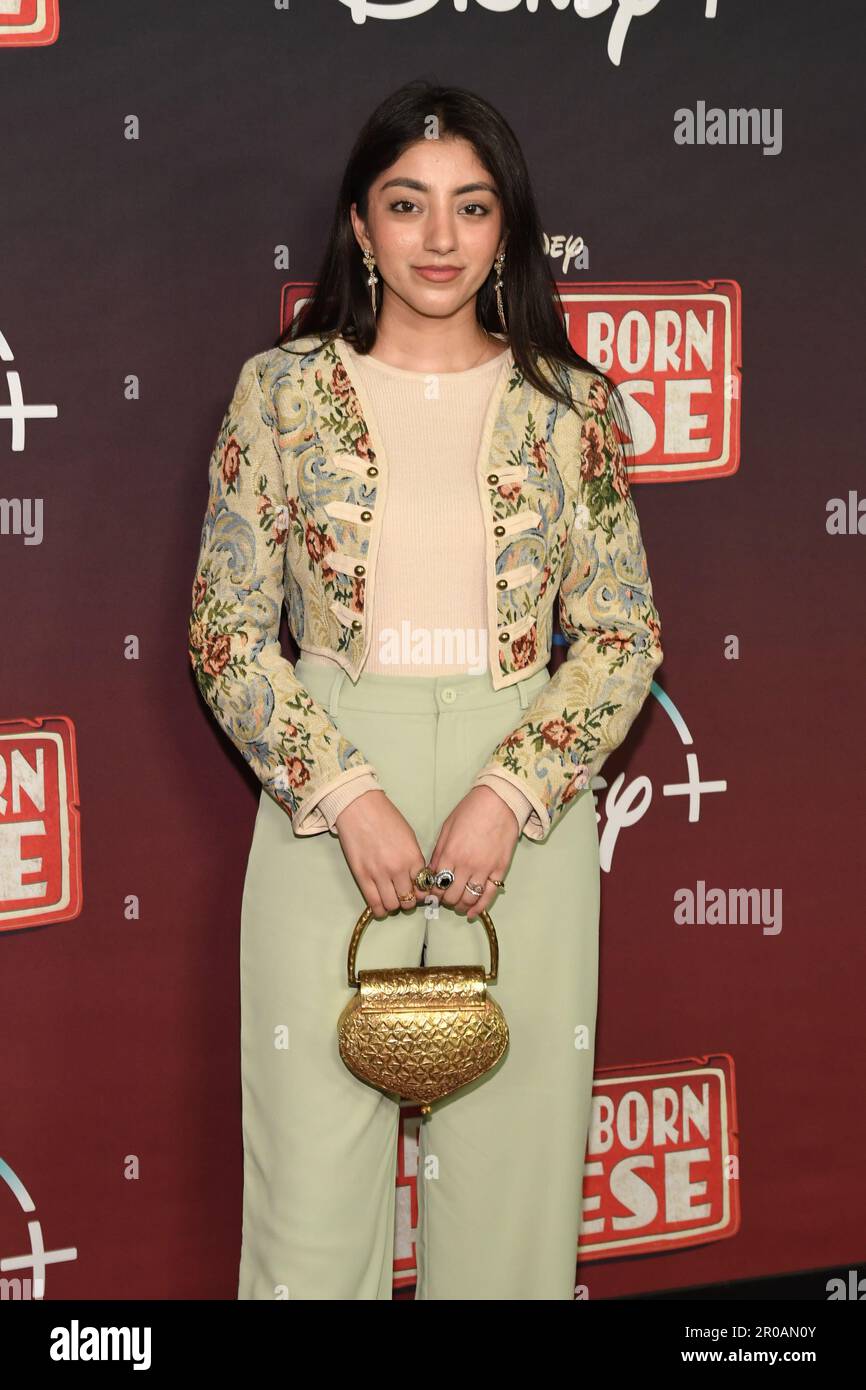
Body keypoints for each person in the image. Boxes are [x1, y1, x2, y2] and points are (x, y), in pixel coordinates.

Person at [187, 80, 664, 1301]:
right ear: (359, 224)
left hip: (523, 807)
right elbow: (227, 629)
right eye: (407, 205)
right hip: (327, 797)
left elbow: (618, 636)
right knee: (306, 1206)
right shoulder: (280, 394)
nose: (439, 239)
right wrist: (345, 791)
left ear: (508, 229)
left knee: (509, 1201)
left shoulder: (572, 409)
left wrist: (509, 792)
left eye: (469, 206)